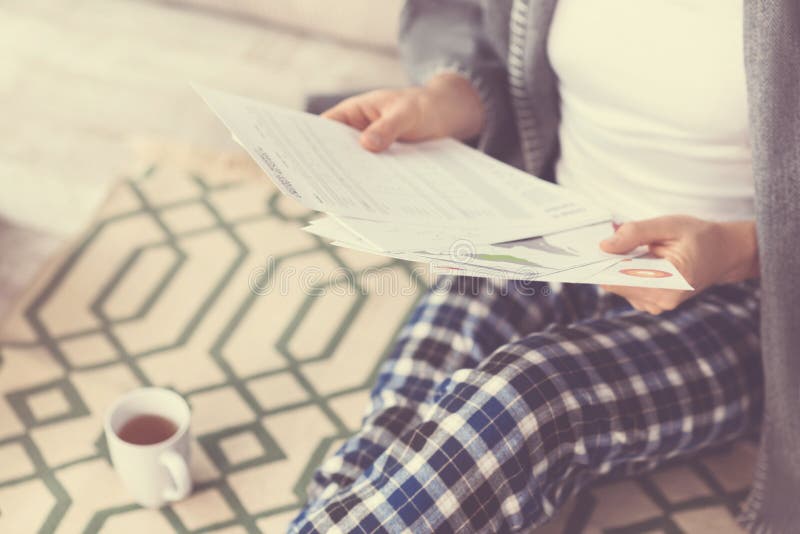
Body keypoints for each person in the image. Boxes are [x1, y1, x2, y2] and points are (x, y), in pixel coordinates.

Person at [289, 1, 800, 532]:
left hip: (749, 303)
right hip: (550, 232)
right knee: (401, 418)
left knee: (523, 400)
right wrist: (450, 97)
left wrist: (740, 248)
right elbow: (482, 31)